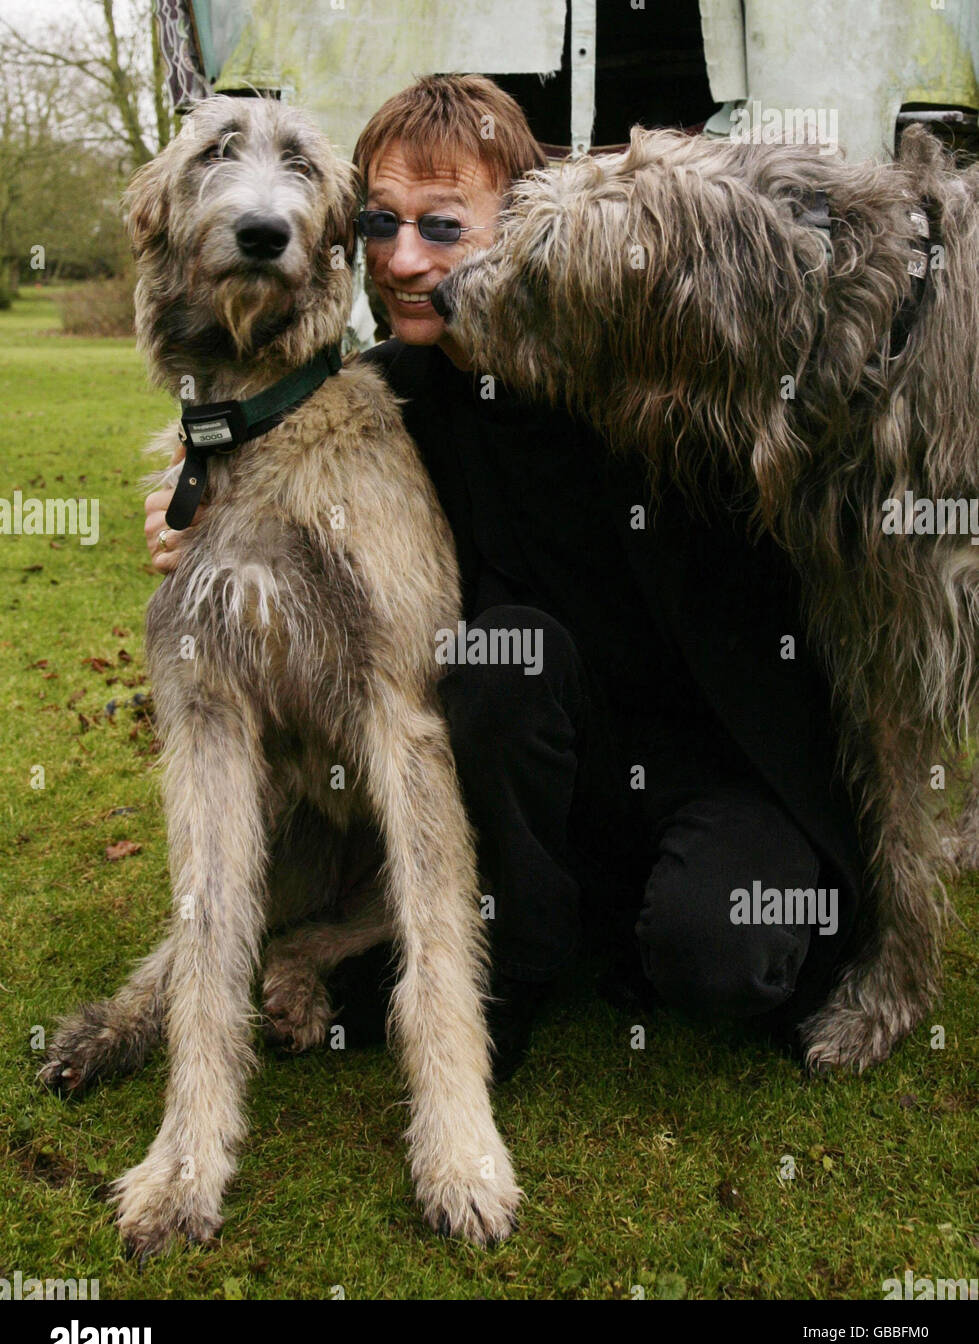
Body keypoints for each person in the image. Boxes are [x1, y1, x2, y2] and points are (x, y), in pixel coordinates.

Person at [144, 75, 864, 1079]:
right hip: (531, 751)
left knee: (720, 955)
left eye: (441, 227)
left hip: (707, 752)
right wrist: (198, 513)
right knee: (499, 659)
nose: (402, 260)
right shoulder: (389, 395)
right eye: (380, 224)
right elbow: (258, 443)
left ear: (520, 222)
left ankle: (625, 908)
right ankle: (517, 962)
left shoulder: (638, 366)